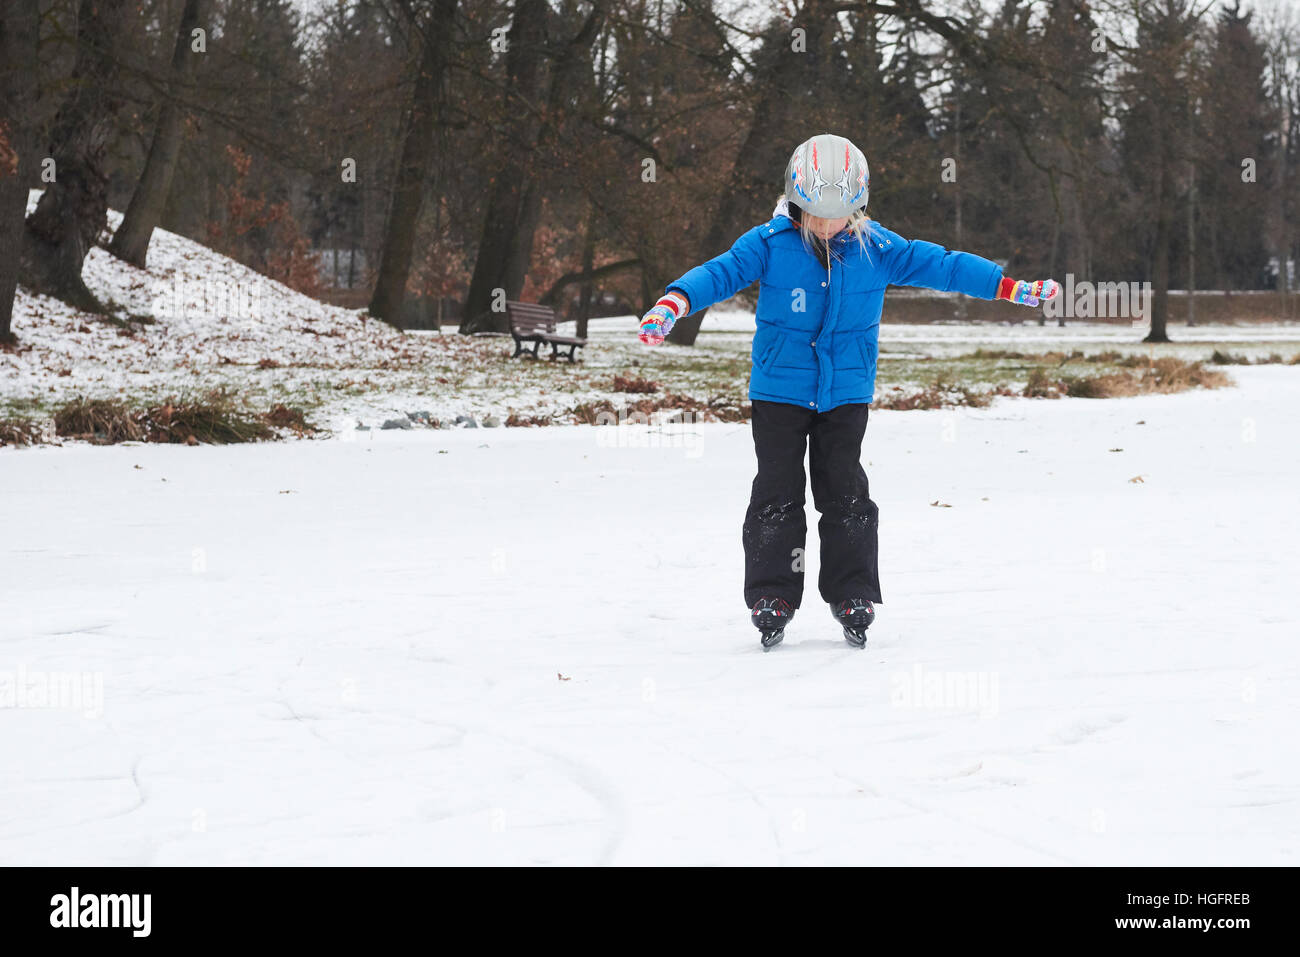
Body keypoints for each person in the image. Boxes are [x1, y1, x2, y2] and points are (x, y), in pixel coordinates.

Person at [639, 133, 1059, 650]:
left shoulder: (877, 248)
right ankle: (772, 595)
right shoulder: (768, 244)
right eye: (816, 214)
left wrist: (1009, 287)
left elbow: (945, 265)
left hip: (845, 395)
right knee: (777, 491)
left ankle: (852, 592)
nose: (827, 225)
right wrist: (674, 301)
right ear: (796, 200)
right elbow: (719, 272)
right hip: (779, 393)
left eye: (838, 215)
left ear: (857, 206)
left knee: (845, 492)